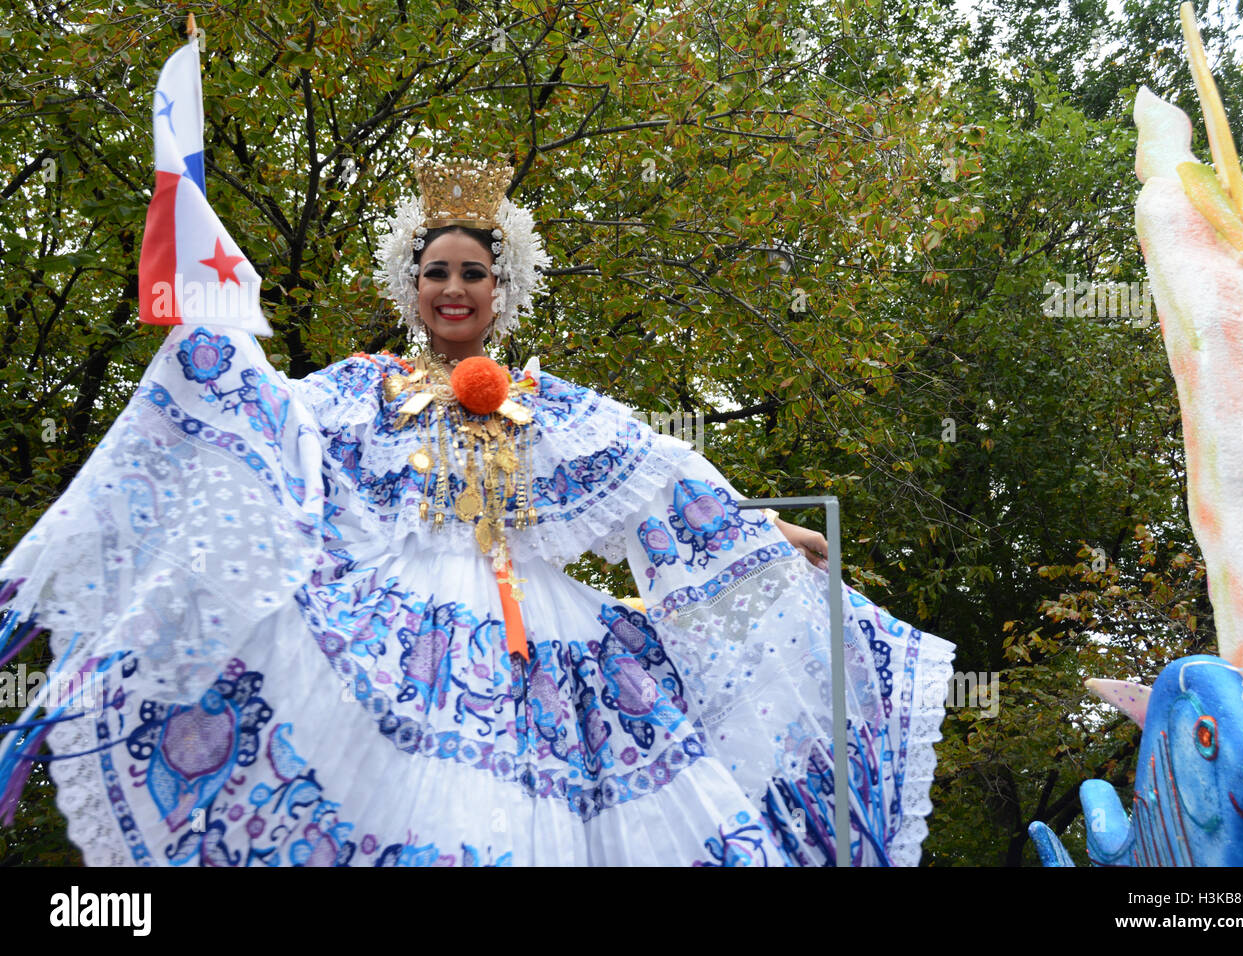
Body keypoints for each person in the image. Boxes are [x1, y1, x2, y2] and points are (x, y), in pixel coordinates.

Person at [0, 153, 954, 867]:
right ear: (411, 287)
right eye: (437, 272)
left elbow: (661, 475)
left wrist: (757, 526)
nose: (454, 288)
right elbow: (270, 434)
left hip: (543, 644)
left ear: (503, 291)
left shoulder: (553, 406)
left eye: (473, 274)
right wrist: (214, 342)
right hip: (393, 635)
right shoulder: (362, 390)